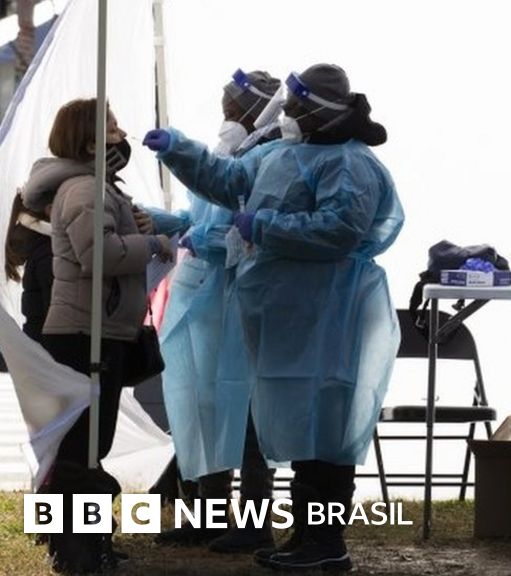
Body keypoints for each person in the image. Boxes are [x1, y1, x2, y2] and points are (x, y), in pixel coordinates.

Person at [143, 63, 403, 572]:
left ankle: (327, 545)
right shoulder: (279, 154)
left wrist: (263, 224)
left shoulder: (351, 165)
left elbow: (339, 229)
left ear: (322, 112)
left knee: (327, 431)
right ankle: (307, 540)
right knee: (305, 431)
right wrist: (177, 148)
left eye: (297, 104)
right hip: (291, 317)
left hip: (331, 313)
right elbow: (228, 180)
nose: (286, 112)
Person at [20, 98, 174, 573]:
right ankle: (79, 552)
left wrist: (135, 223)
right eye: (110, 126)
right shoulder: (86, 187)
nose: (121, 131)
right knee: (82, 451)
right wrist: (152, 243)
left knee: (89, 447)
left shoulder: (95, 187)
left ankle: (85, 546)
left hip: (98, 327)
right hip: (84, 331)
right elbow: (99, 256)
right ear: (90, 140)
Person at [153, 69, 282, 554]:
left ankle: (253, 522)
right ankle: (207, 515)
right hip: (203, 301)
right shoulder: (228, 157)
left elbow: (239, 233)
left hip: (238, 300)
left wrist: (199, 237)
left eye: (233, 111)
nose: (225, 119)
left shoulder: (267, 162)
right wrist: (164, 223)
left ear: (257, 114)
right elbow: (200, 217)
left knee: (244, 415)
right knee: (199, 410)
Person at [5, 193, 54, 343]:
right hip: (45, 345)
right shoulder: (47, 249)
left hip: (37, 340)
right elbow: (50, 313)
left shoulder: (38, 245)